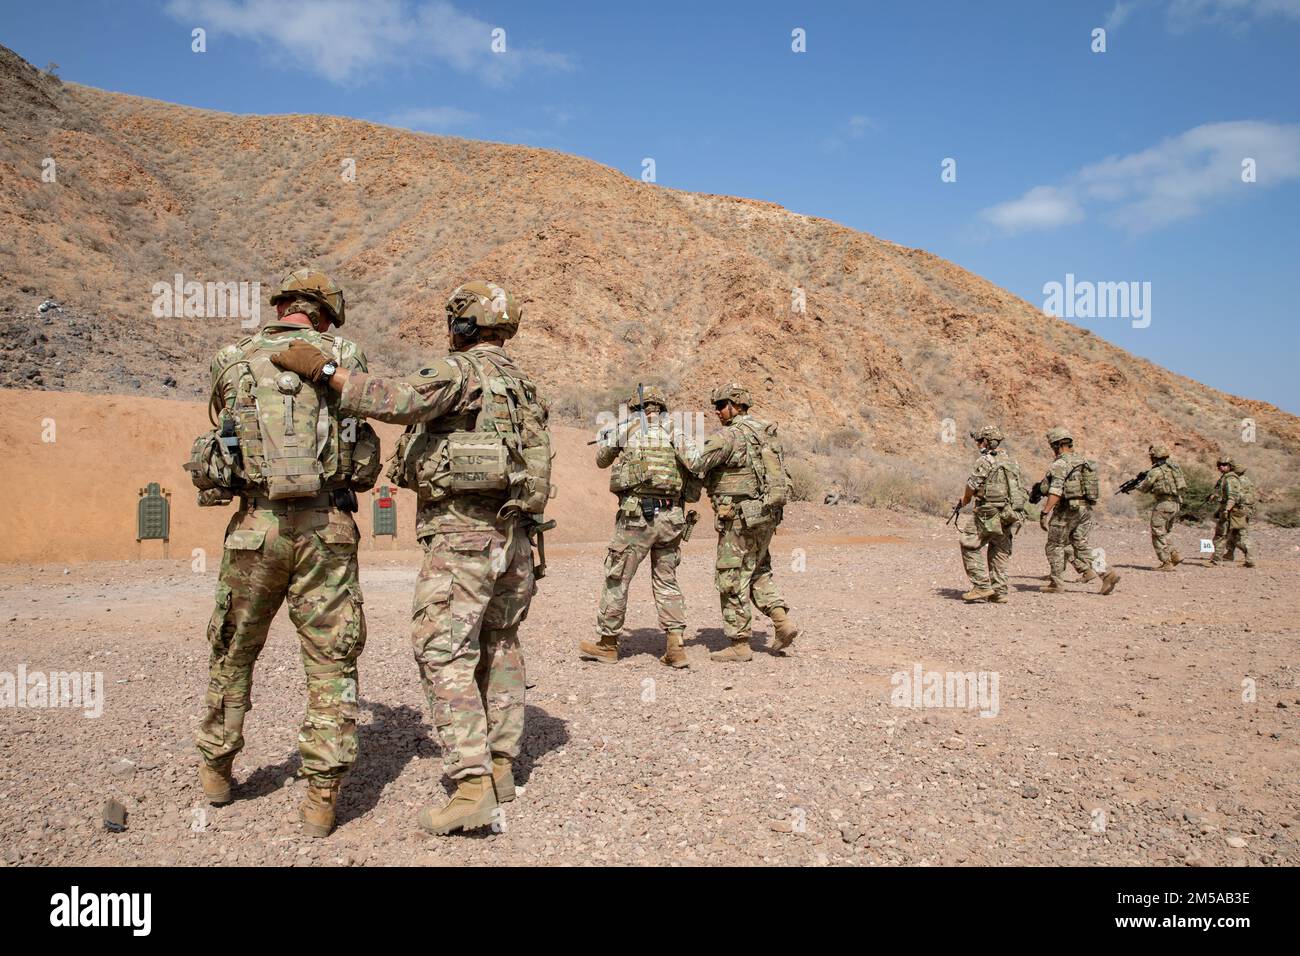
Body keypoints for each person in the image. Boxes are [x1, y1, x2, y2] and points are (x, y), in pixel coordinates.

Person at [271, 280, 552, 836]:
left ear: (465, 326)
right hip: (515, 539)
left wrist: (322, 371)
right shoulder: (525, 386)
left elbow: (396, 400)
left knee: (442, 651)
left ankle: (470, 787)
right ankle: (499, 765)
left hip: (464, 537)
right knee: (499, 644)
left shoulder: (462, 372)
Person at [192, 268, 380, 838]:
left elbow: (222, 433)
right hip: (327, 529)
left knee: (233, 648)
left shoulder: (231, 358)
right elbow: (365, 458)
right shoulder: (344, 353)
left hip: (255, 527)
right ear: (322, 314)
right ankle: (322, 800)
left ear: (282, 307)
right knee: (331, 660)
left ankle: (217, 772)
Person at [581, 385, 702, 668]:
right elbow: (696, 463)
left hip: (636, 518)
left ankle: (608, 645)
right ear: (660, 407)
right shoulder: (676, 429)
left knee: (617, 577)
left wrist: (610, 436)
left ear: (635, 407)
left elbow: (601, 460)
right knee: (666, 580)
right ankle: (676, 647)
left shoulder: (628, 428)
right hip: (672, 517)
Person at [691, 383, 798, 662]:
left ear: (735, 405)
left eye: (720, 405)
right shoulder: (765, 432)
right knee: (758, 570)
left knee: (730, 576)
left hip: (738, 519)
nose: (716, 412)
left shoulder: (730, 436)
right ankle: (782, 621)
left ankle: (739, 643)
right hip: (766, 516)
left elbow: (695, 462)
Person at [1035, 426, 1120, 595]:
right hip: (1085, 510)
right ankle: (1107, 573)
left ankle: (1056, 583)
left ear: (1058, 445)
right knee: (1080, 546)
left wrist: (1045, 512)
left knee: (1054, 546)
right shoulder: (1083, 461)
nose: (1052, 450)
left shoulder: (1061, 464)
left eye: (1052, 446)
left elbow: (1055, 491)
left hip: (1067, 511)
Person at [954, 425, 1025, 604]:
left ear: (987, 441)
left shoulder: (985, 461)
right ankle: (999, 591)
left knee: (968, 542)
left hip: (988, 512)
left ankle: (981, 585)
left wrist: (966, 499)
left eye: (979, 441)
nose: (978, 444)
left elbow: (972, 485)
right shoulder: (1012, 462)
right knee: (1000, 549)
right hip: (1009, 513)